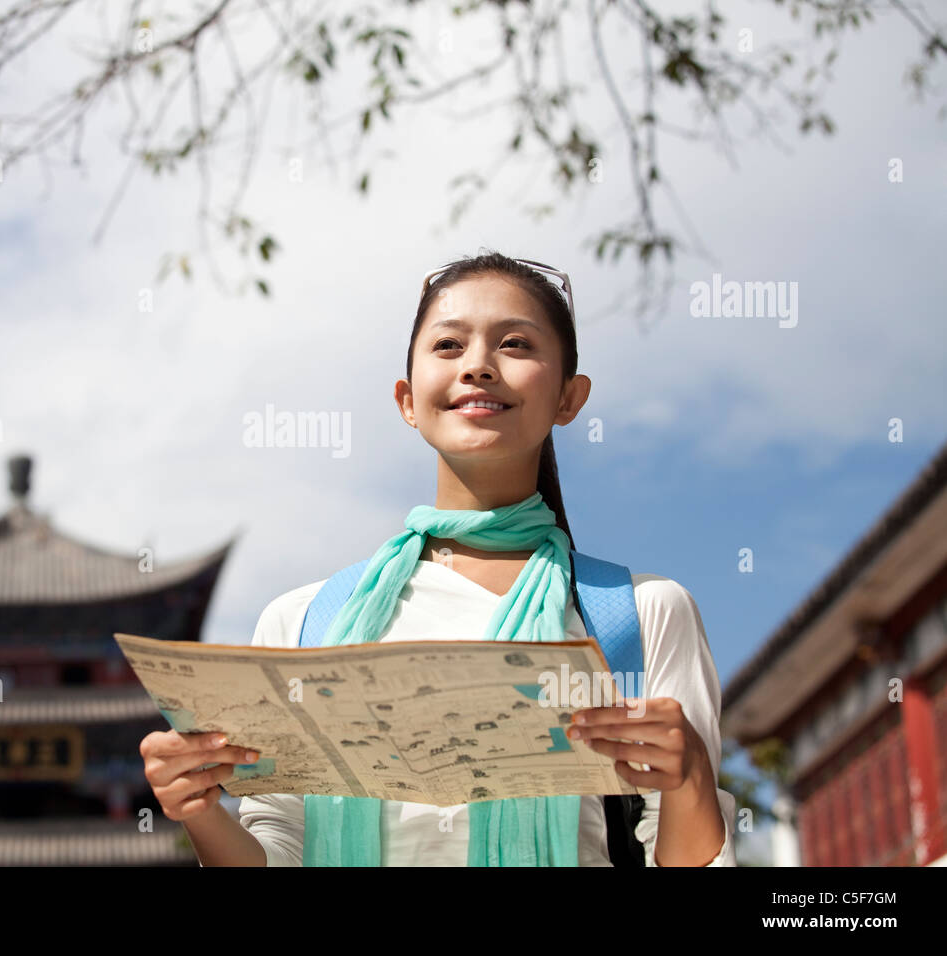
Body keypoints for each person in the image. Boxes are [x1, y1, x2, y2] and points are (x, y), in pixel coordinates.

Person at [139, 250, 738, 866]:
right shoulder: (302, 622)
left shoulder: (639, 614)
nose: (478, 366)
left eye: (515, 344)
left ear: (569, 398)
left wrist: (690, 777)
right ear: (406, 399)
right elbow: (280, 852)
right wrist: (201, 808)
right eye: (449, 346)